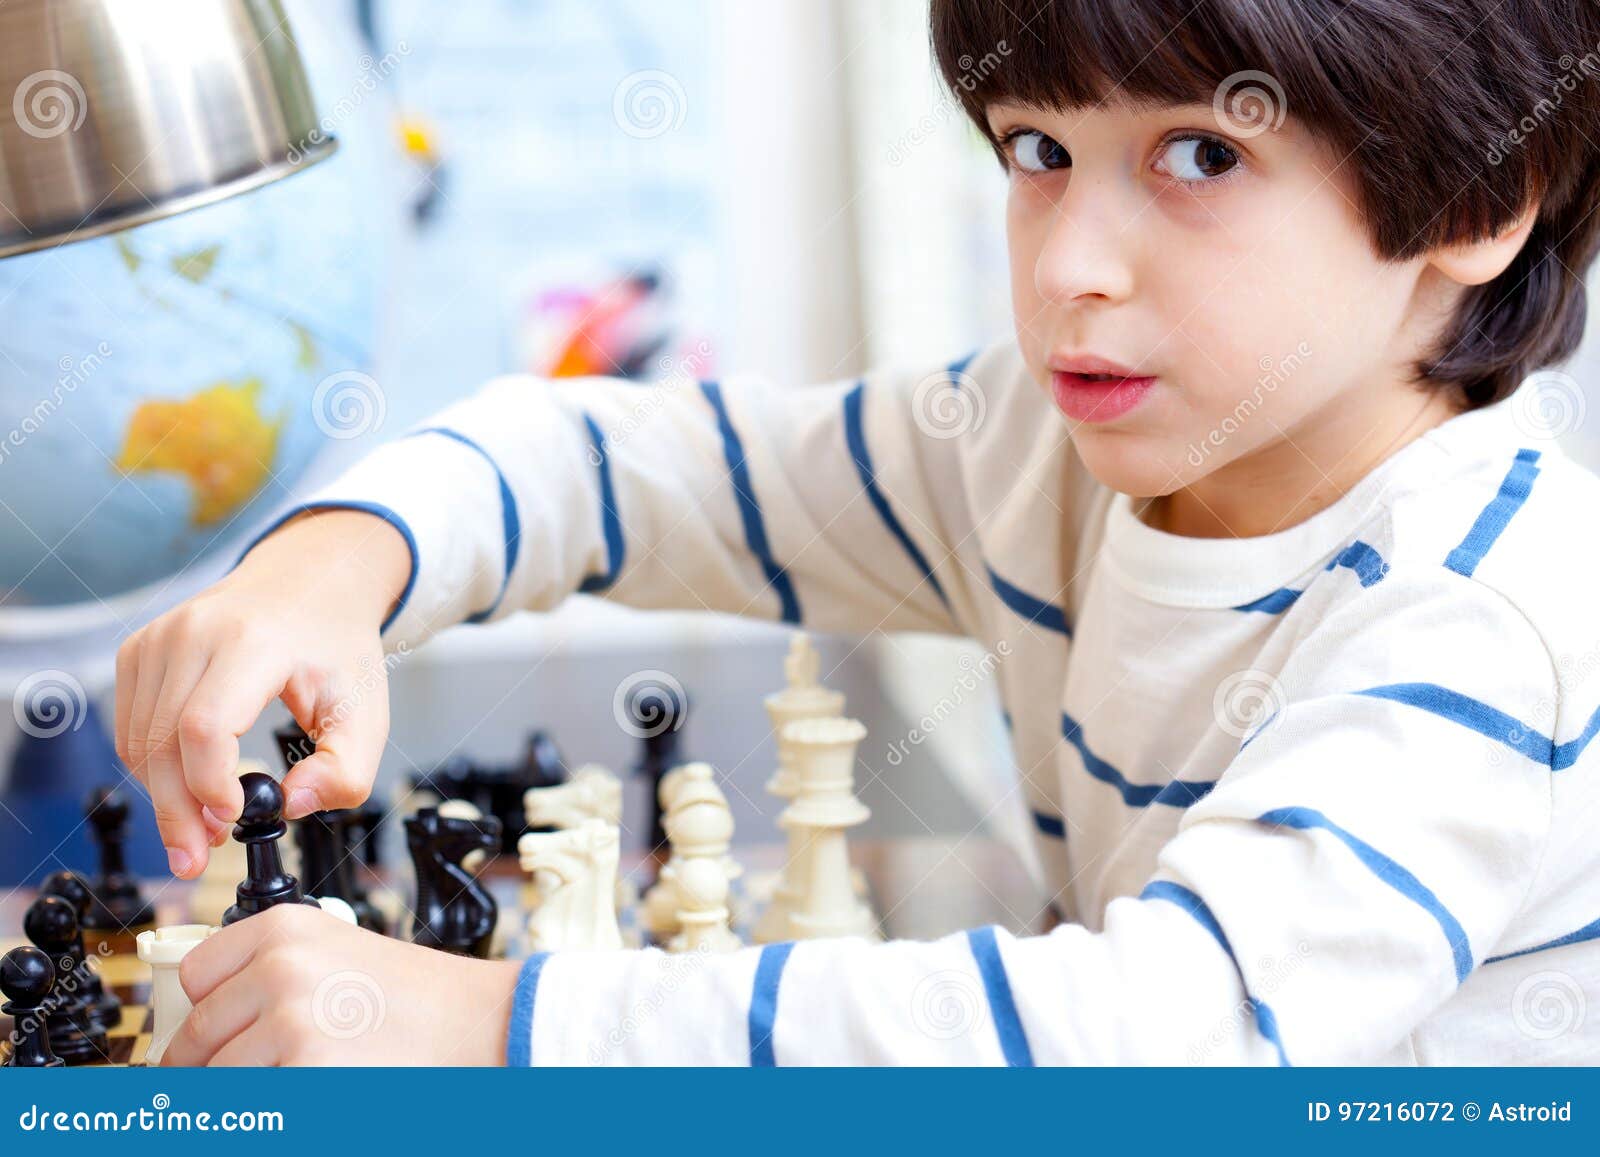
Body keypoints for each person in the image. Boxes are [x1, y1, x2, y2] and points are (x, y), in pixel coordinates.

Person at [123, 0, 1600, 1065]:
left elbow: (1160, 1041)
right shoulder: (1038, 455)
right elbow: (629, 464)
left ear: (1479, 192)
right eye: (1036, 148)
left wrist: (497, 1023)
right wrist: (336, 560)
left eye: (1201, 157)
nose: (1071, 266)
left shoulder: (1483, 614)